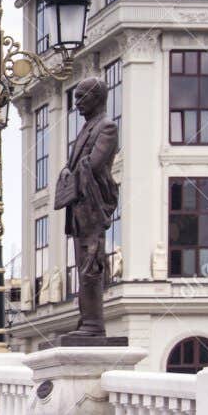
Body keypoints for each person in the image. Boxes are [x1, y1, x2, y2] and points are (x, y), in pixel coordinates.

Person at [55, 77, 120, 341]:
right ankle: (87, 320)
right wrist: (67, 172)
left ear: (97, 97)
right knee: (83, 263)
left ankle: (94, 324)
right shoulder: (87, 128)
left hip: (93, 204)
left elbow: (92, 164)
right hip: (80, 206)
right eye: (76, 97)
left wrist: (71, 173)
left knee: (92, 263)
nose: (77, 103)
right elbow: (77, 164)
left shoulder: (107, 127)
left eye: (82, 97)